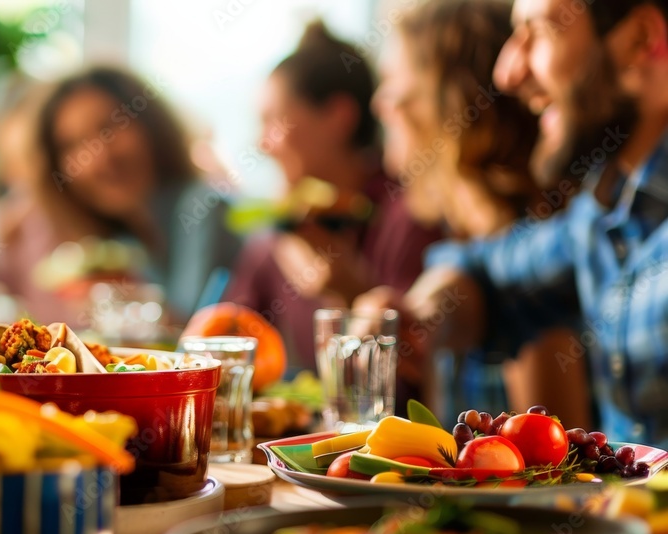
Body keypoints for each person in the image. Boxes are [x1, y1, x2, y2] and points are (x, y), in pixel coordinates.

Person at [356, 0, 668, 445]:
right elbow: (485, 271)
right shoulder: (601, 213)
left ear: (642, 39)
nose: (506, 74)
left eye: (539, 31)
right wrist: (421, 314)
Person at [371, 0, 590, 426]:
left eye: (393, 82)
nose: (381, 103)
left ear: (456, 107)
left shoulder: (533, 285)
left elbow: (550, 462)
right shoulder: (474, 244)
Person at [224, 21, 442, 373]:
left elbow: (420, 375)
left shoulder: (409, 215)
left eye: (274, 122)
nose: (262, 144)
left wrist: (353, 292)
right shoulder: (281, 230)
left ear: (339, 117)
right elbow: (230, 336)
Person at [0, 67, 241, 325]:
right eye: (72, 145)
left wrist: (125, 304)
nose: (99, 158)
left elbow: (197, 334)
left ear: (150, 124)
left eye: (109, 128)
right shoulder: (126, 240)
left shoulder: (206, 207)